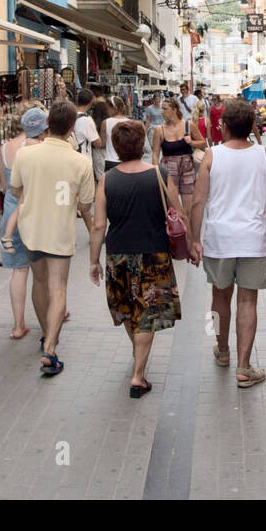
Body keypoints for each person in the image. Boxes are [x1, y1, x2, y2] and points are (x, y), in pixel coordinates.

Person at [189, 98, 266, 389]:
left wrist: (194, 238)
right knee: (248, 300)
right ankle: (244, 368)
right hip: (252, 239)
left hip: (219, 239)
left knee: (219, 297)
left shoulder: (211, 155)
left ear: (224, 126)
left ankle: (222, 351)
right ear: (251, 127)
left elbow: (198, 201)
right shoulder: (264, 155)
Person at [88, 120, 186, 397]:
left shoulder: (108, 179)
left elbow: (98, 225)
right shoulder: (160, 174)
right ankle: (138, 374)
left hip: (118, 254)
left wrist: (94, 261)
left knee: (130, 310)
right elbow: (177, 211)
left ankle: (137, 359)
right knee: (148, 312)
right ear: (141, 144)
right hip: (154, 254)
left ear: (116, 147)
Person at [3, 100, 95, 377]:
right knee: (58, 288)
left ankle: (46, 333)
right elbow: (86, 204)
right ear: (70, 129)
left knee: (39, 283)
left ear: (47, 125)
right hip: (59, 233)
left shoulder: (25, 155)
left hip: (31, 231)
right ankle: (51, 347)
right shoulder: (80, 161)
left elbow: (16, 191)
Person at [0, 103, 45, 340]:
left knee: (19, 269)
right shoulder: (39, 146)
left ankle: (18, 325)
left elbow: (5, 187)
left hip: (10, 209)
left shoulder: (5, 147)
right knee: (43, 270)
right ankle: (55, 312)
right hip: (35, 210)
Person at [152, 97, 205, 213]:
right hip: (168, 170)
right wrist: (156, 172)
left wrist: (192, 142)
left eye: (165, 109)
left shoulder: (188, 125)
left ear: (174, 110)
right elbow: (155, 154)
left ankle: (188, 230)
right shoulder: (159, 130)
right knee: (172, 208)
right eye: (162, 109)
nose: (162, 112)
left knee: (189, 208)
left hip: (187, 167)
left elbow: (203, 143)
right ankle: (176, 230)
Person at [73, 88, 103, 168]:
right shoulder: (87, 120)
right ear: (90, 102)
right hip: (83, 160)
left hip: (70, 158)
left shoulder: (69, 115)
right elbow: (98, 143)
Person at [102, 96, 131, 173]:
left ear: (113, 108)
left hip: (110, 159)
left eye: (108, 108)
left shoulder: (105, 122)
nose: (107, 111)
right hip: (125, 160)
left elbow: (103, 143)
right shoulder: (129, 122)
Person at [90, 95, 110, 182]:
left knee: (99, 165)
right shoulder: (107, 109)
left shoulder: (98, 109)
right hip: (107, 143)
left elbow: (97, 125)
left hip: (99, 142)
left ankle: (101, 186)